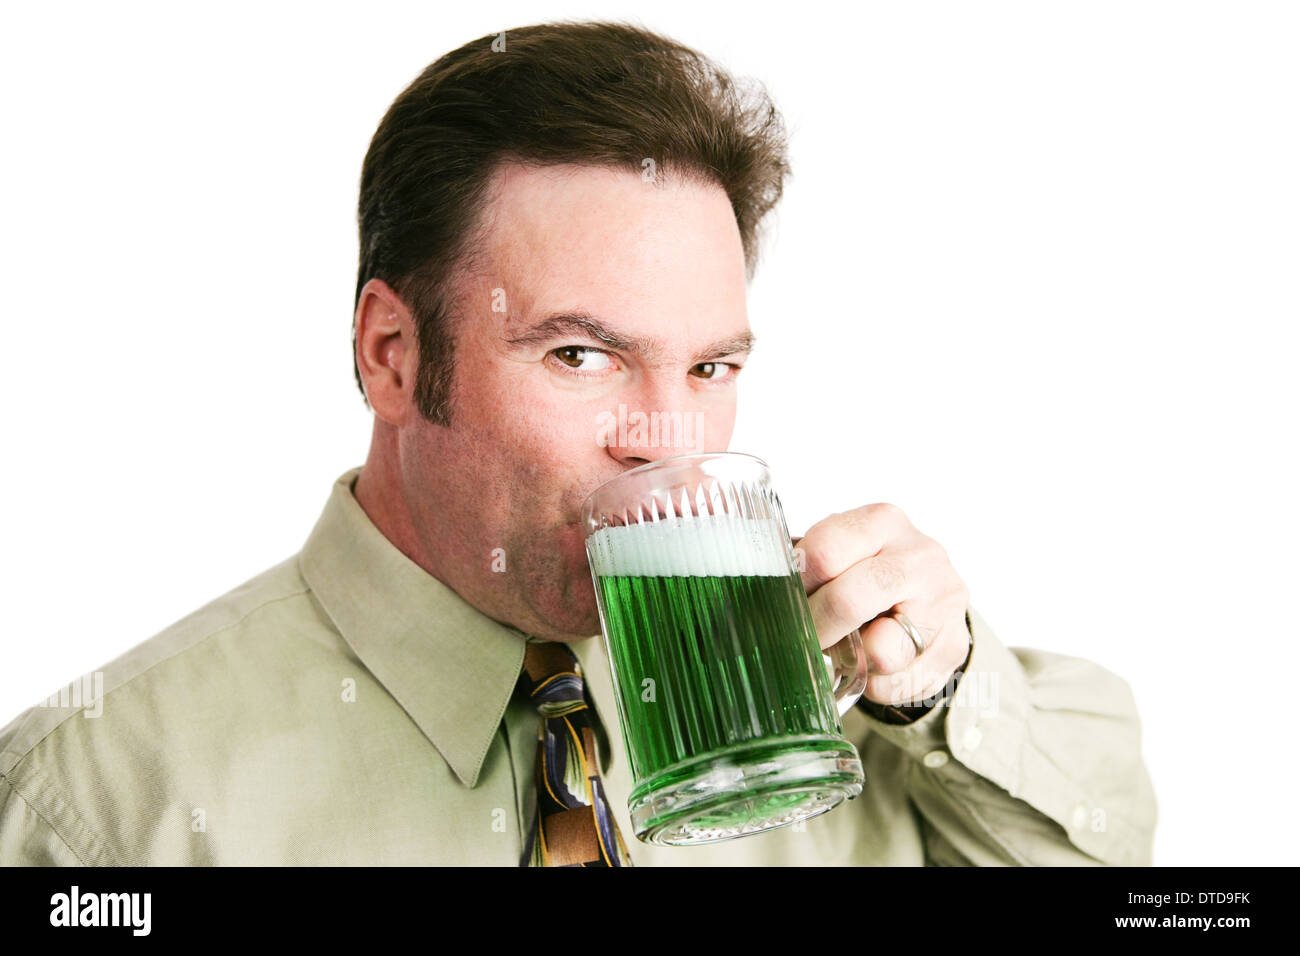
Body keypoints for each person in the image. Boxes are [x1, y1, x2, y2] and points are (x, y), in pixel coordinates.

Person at [0, 21, 1156, 866]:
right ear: (392, 353)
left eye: (709, 368)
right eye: (580, 355)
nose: (665, 442)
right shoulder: (95, 803)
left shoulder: (792, 719)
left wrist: (935, 688)